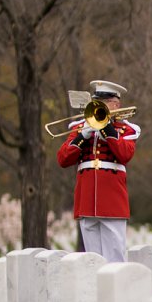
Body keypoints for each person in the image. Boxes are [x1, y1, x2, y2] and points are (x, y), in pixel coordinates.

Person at [55, 79, 136, 263]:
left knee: (115, 258)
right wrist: (82, 136)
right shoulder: (80, 128)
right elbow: (62, 159)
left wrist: (107, 129)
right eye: (96, 100)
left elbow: (125, 154)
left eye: (104, 101)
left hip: (112, 200)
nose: (98, 105)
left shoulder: (125, 129)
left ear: (116, 103)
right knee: (92, 260)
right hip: (86, 200)